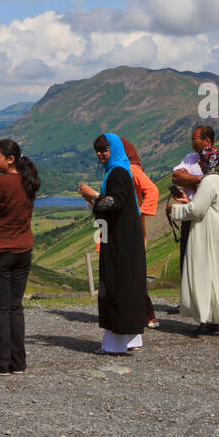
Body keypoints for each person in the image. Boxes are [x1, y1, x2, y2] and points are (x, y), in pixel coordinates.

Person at [78, 134, 149, 355]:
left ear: (114, 150)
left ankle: (114, 343)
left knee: (116, 285)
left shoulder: (117, 173)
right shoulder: (120, 170)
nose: (100, 154)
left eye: (104, 150)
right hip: (125, 238)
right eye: (97, 150)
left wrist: (93, 196)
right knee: (128, 285)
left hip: (120, 240)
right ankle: (131, 338)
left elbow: (115, 202)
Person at [0, 139, 38, 374]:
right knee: (14, 307)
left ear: (10, 159)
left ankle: (1, 363)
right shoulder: (28, 181)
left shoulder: (1, 184)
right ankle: (18, 362)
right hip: (23, 250)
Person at [168, 146, 219, 336]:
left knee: (204, 272)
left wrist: (175, 211)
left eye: (201, 161)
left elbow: (197, 211)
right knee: (218, 273)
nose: (199, 163)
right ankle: (218, 317)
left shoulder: (208, 182)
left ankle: (205, 317)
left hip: (209, 233)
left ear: (208, 161)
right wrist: (186, 202)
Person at [172, 125, 219, 272]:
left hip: (207, 217)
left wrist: (191, 179)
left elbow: (211, 187)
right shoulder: (189, 158)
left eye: (194, 140)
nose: (191, 143)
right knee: (186, 254)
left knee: (203, 258)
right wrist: (200, 179)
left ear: (206, 140)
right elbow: (176, 177)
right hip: (188, 213)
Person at [121, 138, 160, 329]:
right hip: (126, 230)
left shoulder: (132, 170)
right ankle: (140, 314)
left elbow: (152, 191)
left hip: (132, 232)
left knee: (132, 274)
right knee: (128, 274)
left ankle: (147, 315)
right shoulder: (122, 169)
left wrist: (137, 215)